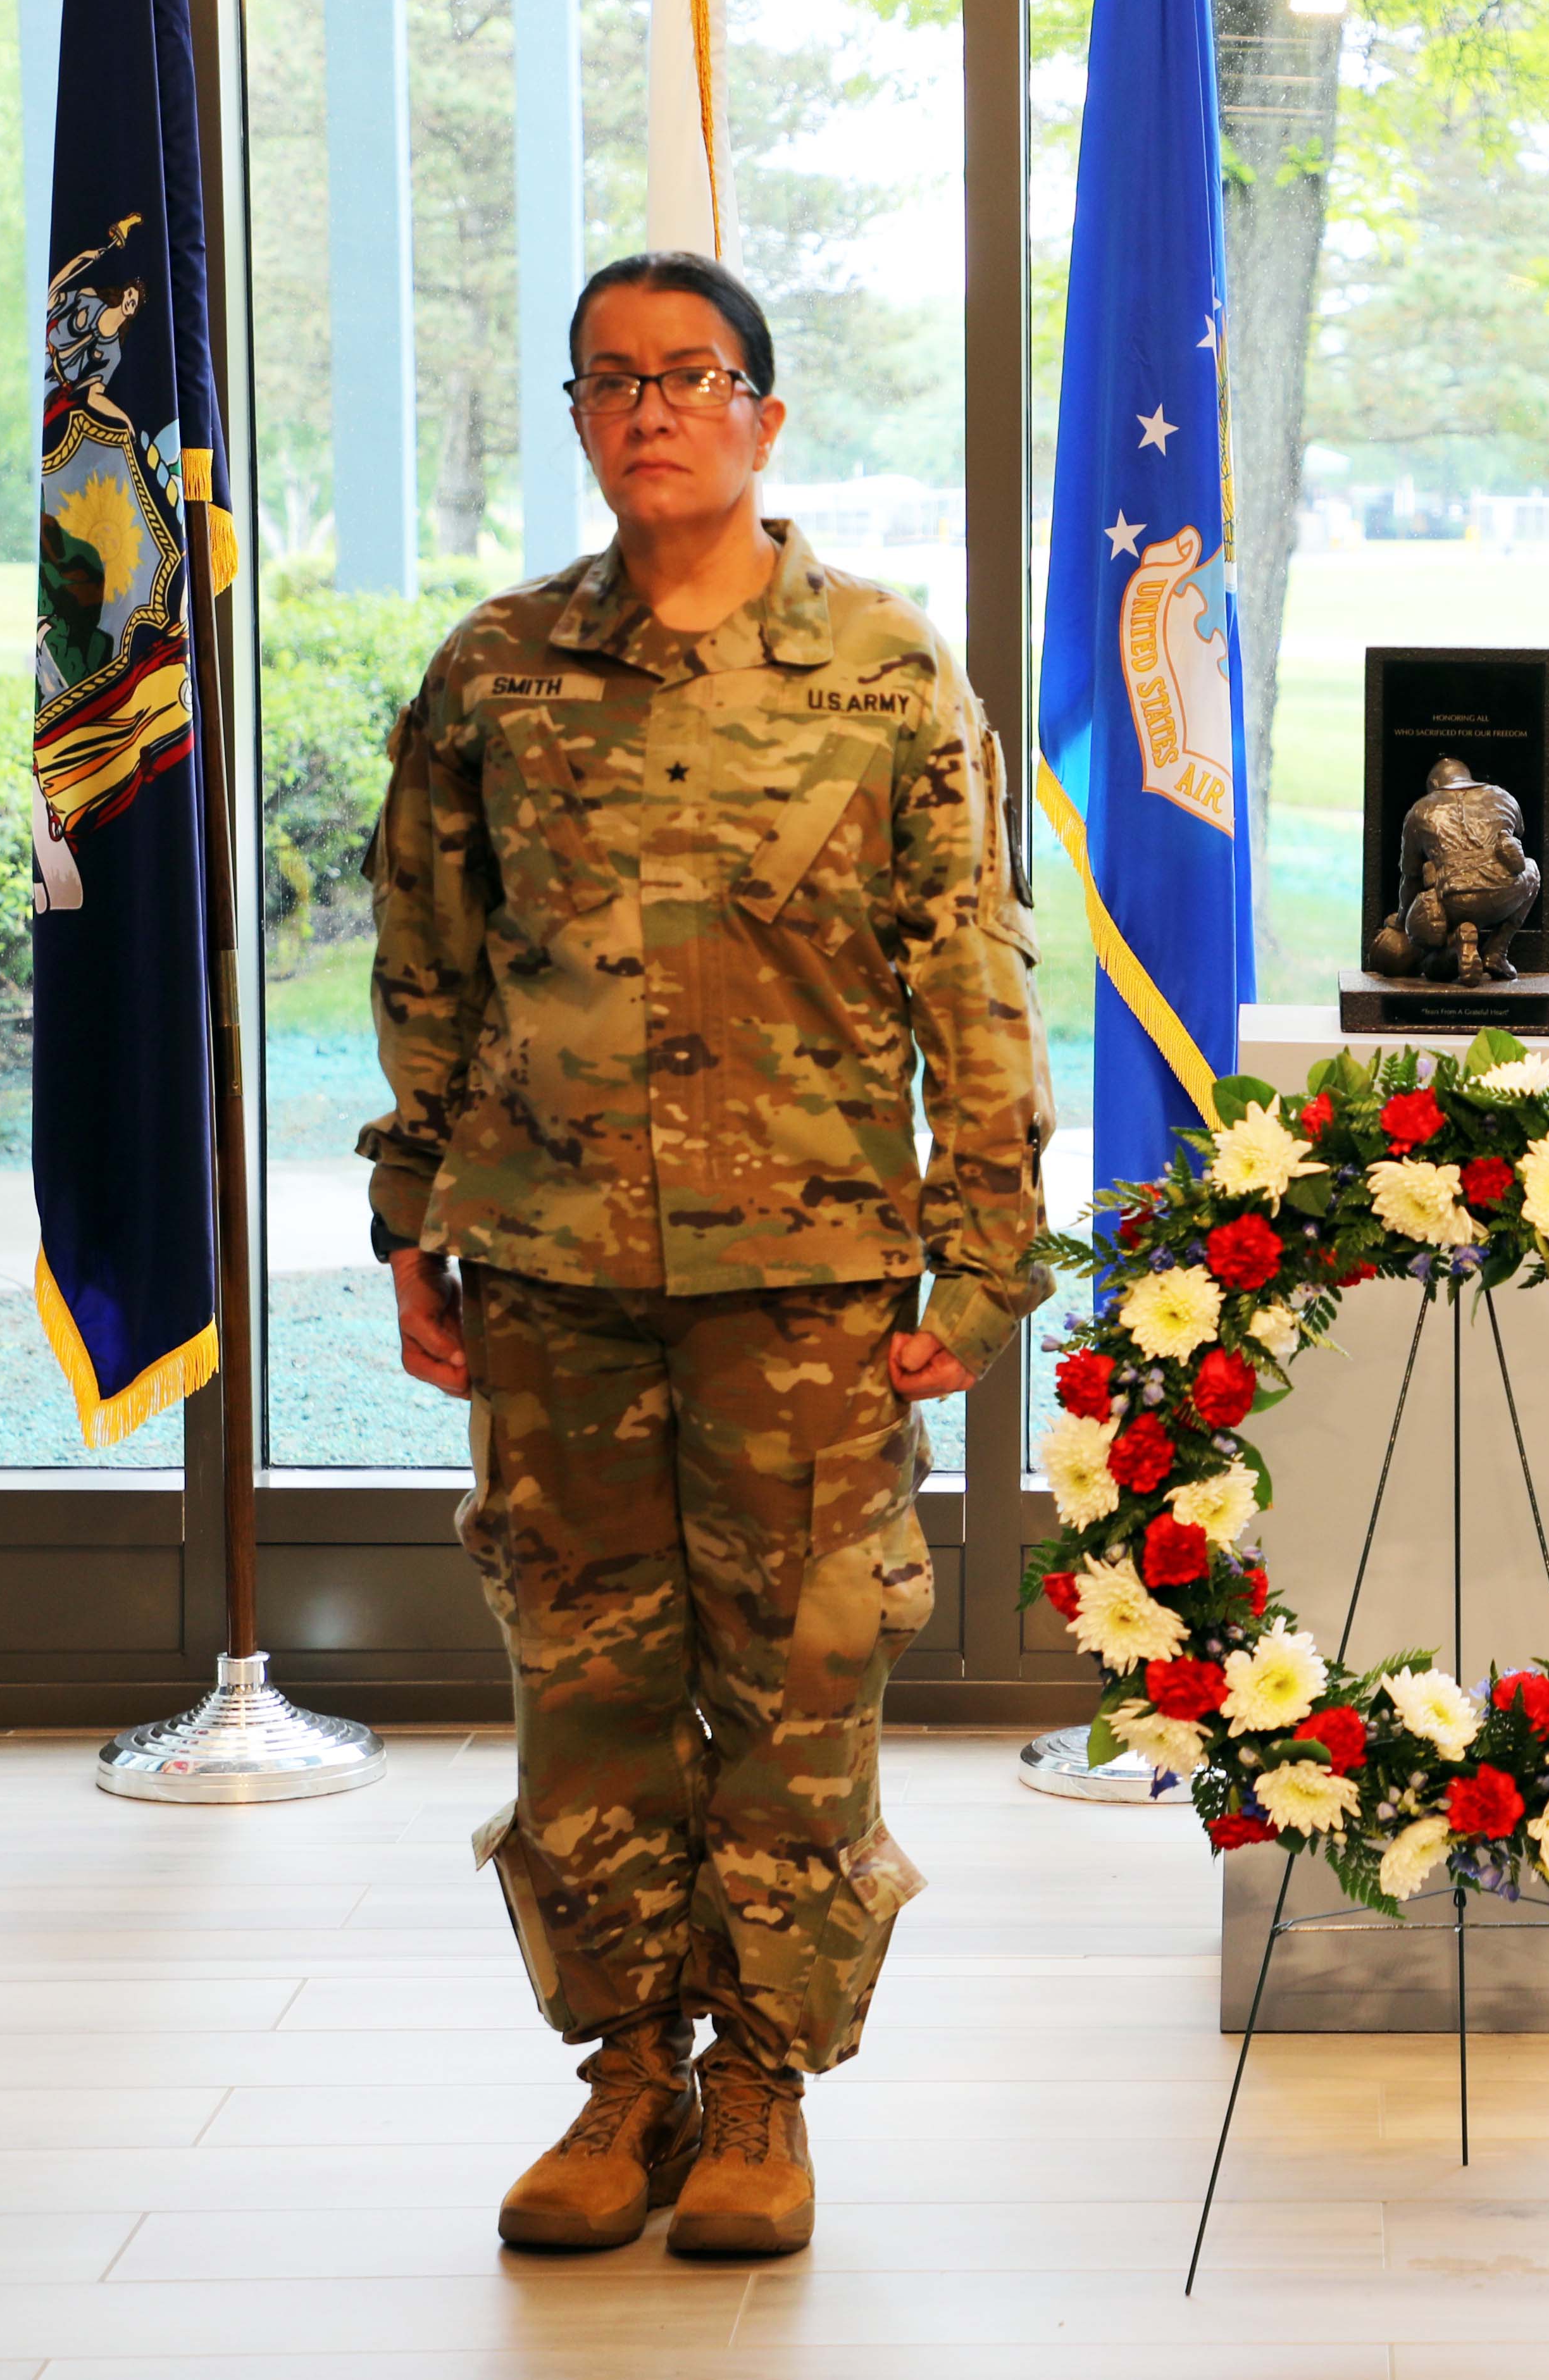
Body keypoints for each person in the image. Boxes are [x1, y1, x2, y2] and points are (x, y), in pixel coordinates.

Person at [363, 250, 1055, 2257]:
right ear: (581, 420)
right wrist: (414, 1216)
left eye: (690, 375)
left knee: (804, 1680)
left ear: (767, 409)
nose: (649, 409)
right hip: (554, 1272)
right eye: (610, 381)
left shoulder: (885, 671)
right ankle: (623, 2074)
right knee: (583, 1684)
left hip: (812, 1281)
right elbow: (426, 964)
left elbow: (972, 974)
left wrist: (982, 1249)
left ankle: (764, 2076)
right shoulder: (494, 673)